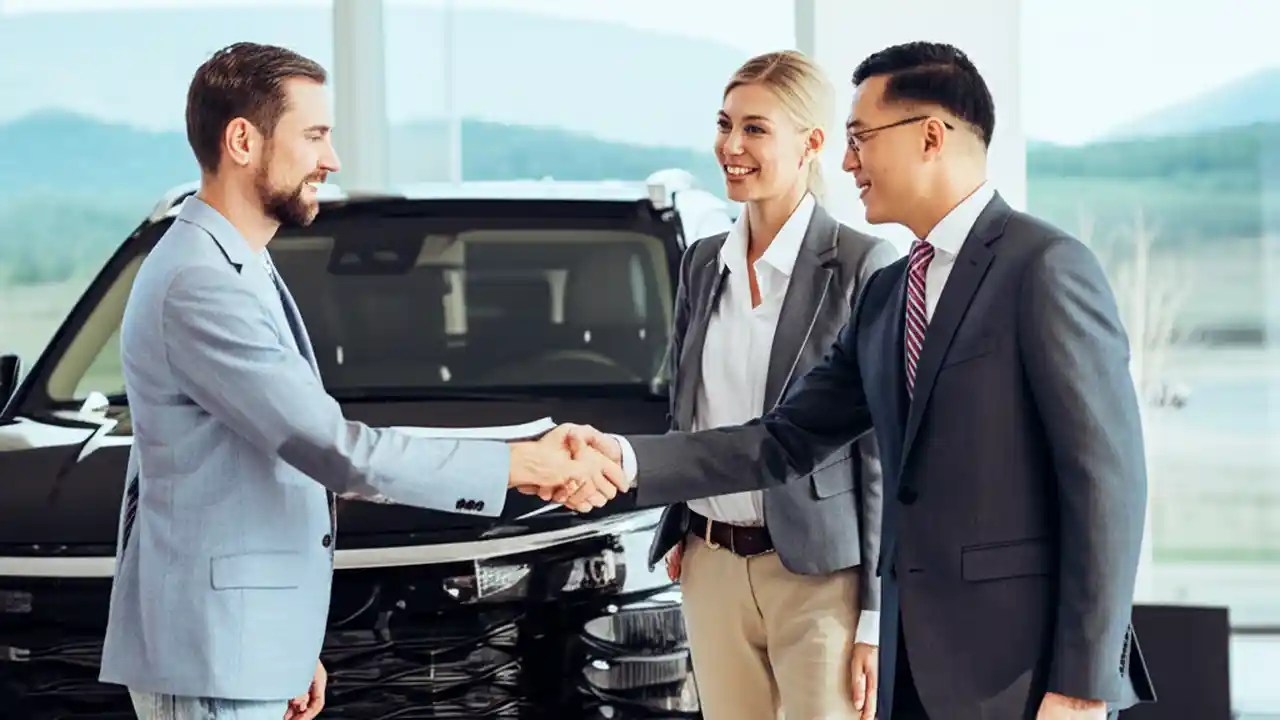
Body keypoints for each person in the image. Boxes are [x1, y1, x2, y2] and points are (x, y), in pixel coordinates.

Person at [554, 41, 1155, 720]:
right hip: (916, 667)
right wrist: (627, 459)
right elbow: (782, 440)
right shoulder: (892, 292)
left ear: (931, 135)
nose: (845, 162)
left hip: (1019, 673)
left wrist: (1083, 683)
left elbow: (1108, 485)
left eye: (860, 138)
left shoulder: (1044, 267)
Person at [99, 42, 624, 720]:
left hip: (237, 646)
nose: (332, 159)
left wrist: (283, 641)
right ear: (242, 140)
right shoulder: (200, 281)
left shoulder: (233, 264)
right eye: (315, 134)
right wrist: (522, 464)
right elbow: (335, 451)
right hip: (211, 655)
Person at [647, 49, 895, 720]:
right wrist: (678, 523)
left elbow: (877, 454)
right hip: (711, 565)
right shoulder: (702, 262)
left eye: (755, 129)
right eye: (725, 125)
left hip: (820, 575)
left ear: (812, 143)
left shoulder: (863, 264)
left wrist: (875, 616)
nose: (731, 146)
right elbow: (687, 410)